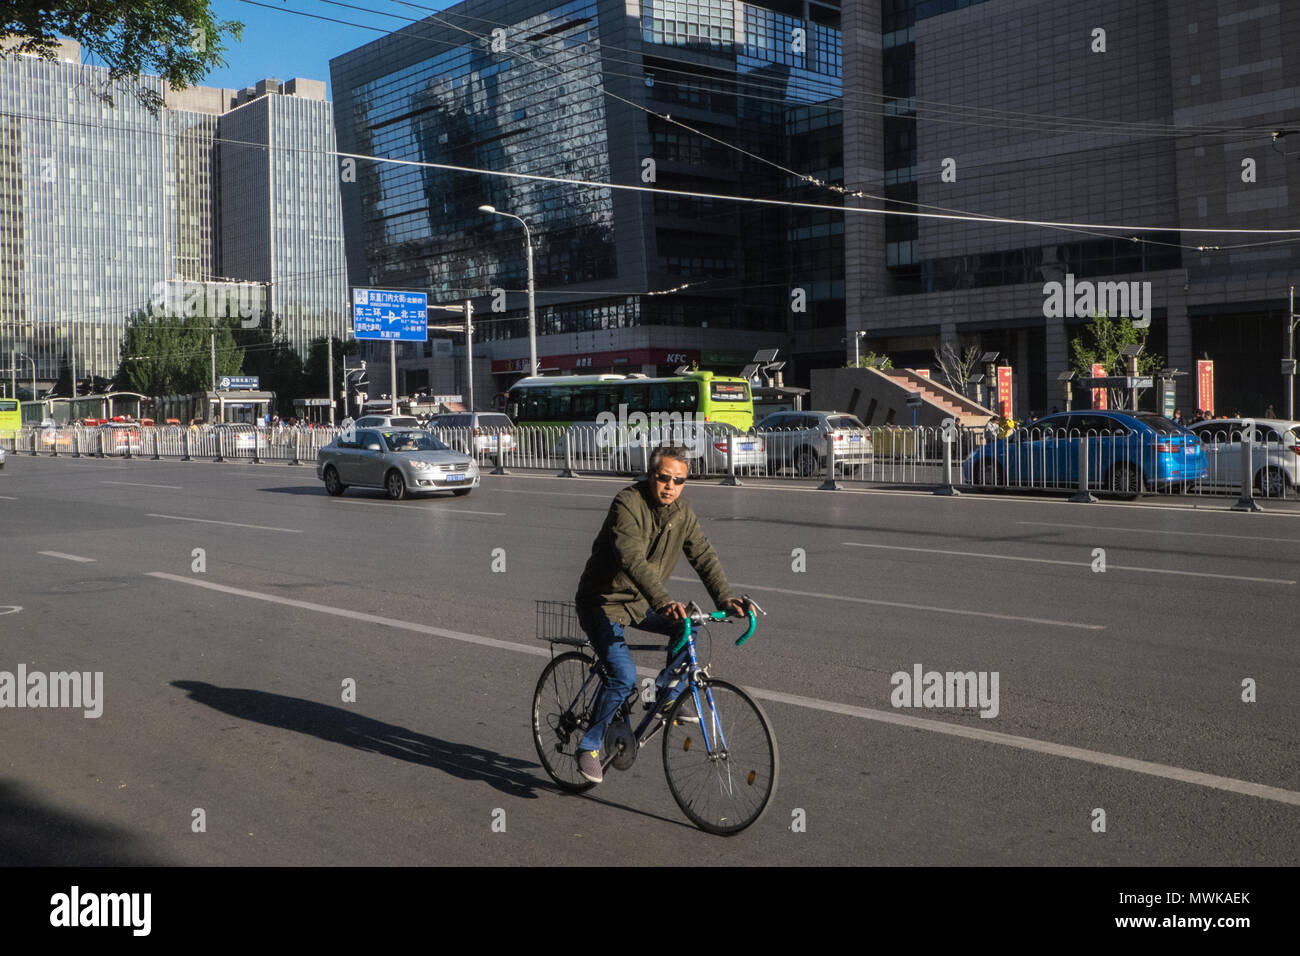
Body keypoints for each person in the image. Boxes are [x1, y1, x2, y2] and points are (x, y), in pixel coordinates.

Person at [572, 444, 748, 785]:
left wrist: (725, 598)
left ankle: (667, 695)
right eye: (663, 477)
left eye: (678, 480)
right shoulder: (627, 504)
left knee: (688, 626)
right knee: (623, 675)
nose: (670, 486)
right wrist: (663, 599)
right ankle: (589, 746)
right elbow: (631, 558)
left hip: (640, 603)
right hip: (602, 603)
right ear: (651, 475)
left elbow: (703, 556)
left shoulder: (682, 512)